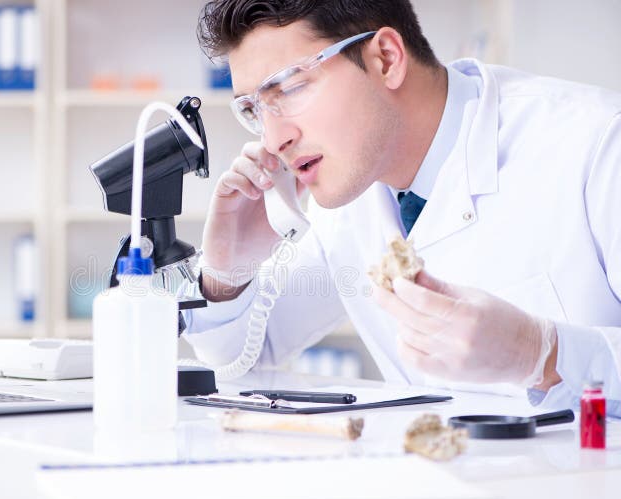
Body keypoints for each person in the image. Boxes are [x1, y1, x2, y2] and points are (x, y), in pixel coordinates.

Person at [182, 0, 621, 416]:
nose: (273, 139)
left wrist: (543, 353)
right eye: (253, 109)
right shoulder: (346, 195)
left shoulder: (597, 143)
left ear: (386, 59)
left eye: (291, 88)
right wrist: (226, 275)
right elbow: (241, 361)